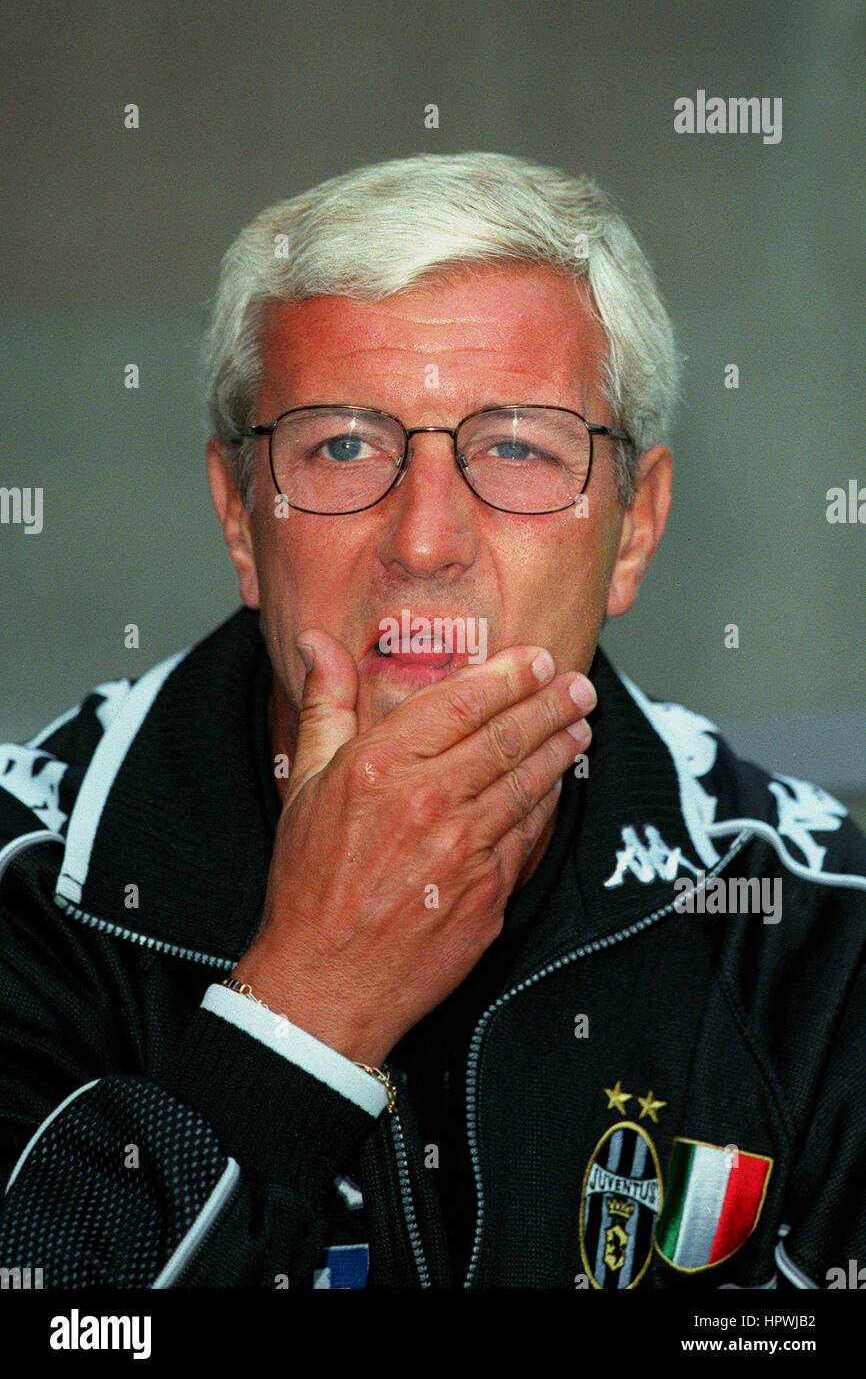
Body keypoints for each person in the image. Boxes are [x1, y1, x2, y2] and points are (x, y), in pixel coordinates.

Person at [1, 152, 864, 1291]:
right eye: (341, 446)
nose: (422, 542)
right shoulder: (28, 889)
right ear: (235, 515)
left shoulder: (812, 934)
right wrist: (301, 1013)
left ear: (635, 528)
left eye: (516, 447)